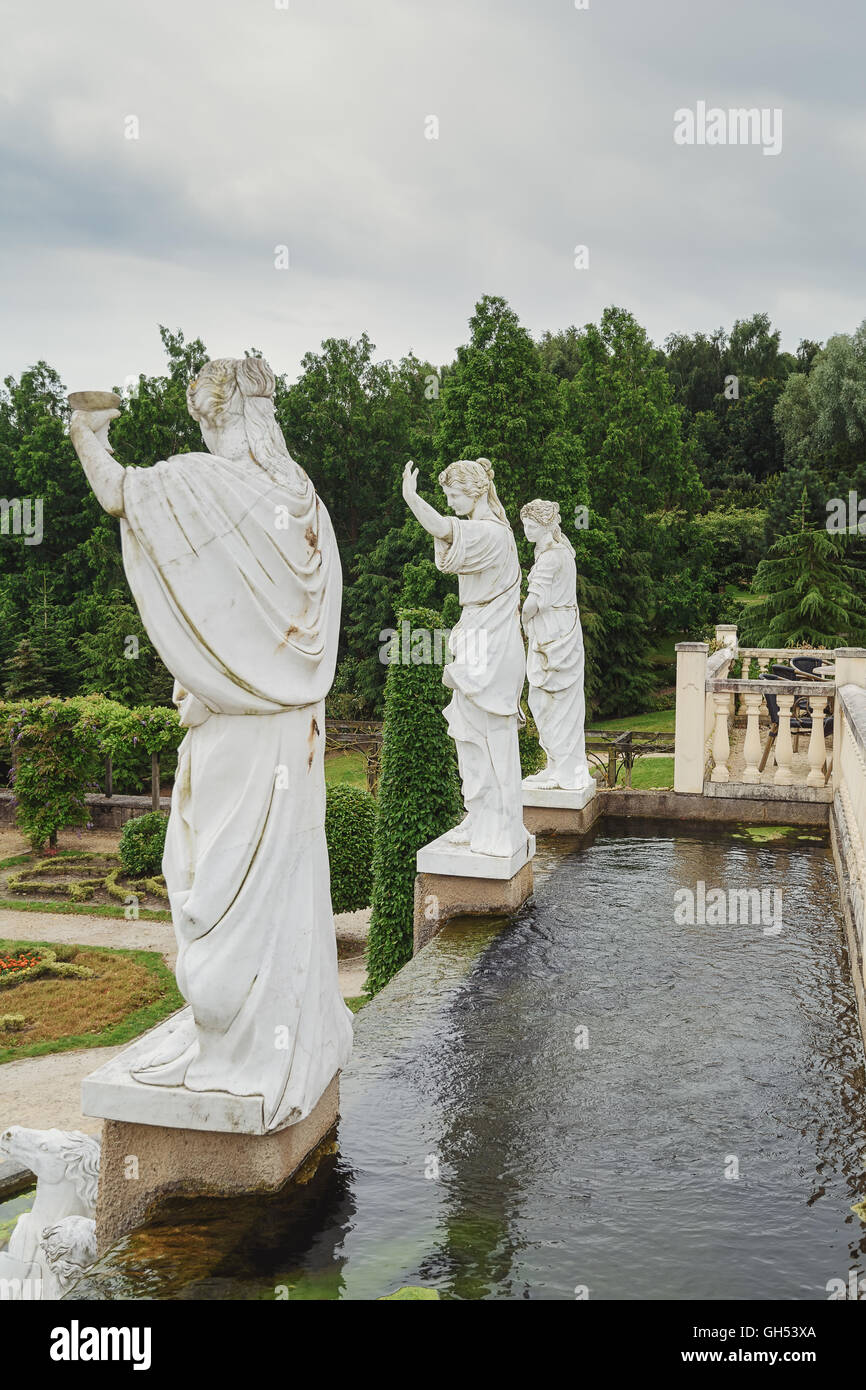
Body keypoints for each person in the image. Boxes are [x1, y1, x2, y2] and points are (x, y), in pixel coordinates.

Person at [68, 356, 353, 1130]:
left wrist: (85, 431)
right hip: (293, 735)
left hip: (235, 738)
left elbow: (118, 491)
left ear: (207, 409)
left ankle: (235, 1046)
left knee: (213, 879)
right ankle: (286, 1034)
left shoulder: (199, 483)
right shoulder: (305, 502)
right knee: (278, 886)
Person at [402, 456, 527, 857]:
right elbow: (450, 537)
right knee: (466, 732)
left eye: (454, 495)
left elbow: (442, 528)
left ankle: (503, 819)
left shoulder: (492, 534)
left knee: (494, 735)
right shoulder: (484, 532)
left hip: (494, 645)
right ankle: (479, 810)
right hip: (475, 632)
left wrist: (411, 497)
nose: (451, 502)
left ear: (473, 491)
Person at [520, 499, 593, 792]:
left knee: (549, 702)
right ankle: (558, 765)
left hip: (552, 635)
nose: (526, 531)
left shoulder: (551, 557)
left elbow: (534, 602)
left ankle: (563, 770)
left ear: (546, 526)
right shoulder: (562, 551)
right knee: (555, 702)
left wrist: (521, 621)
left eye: (531, 526)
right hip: (562, 631)